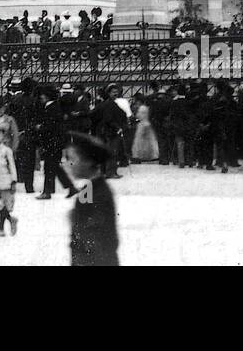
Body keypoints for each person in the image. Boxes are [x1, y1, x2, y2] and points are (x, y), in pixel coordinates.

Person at [64, 131, 118, 266]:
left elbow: (96, 241)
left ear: (87, 162)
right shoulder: (89, 189)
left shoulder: (97, 193)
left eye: (72, 159)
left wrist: (76, 220)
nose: (68, 164)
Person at [36, 85, 74, 199]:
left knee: (49, 167)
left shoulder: (51, 108)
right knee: (54, 167)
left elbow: (51, 126)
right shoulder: (55, 107)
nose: (41, 97)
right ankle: (70, 187)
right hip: (55, 142)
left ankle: (47, 192)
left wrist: (40, 127)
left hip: (51, 142)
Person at [130, 98, 157, 163]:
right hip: (147, 123)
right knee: (149, 141)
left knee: (139, 141)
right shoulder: (146, 108)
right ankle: (150, 155)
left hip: (142, 124)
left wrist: (135, 116)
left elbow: (139, 116)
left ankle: (139, 156)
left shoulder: (141, 108)